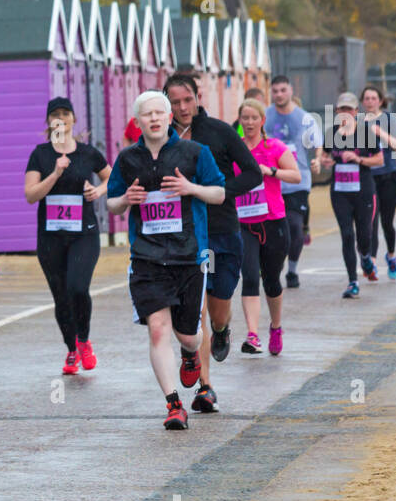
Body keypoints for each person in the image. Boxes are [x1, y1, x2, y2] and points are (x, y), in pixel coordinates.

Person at [106, 91, 226, 429]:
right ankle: (174, 405)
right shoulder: (128, 159)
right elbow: (112, 203)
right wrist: (126, 199)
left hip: (189, 255)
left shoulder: (194, 153)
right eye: (147, 114)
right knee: (158, 330)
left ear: (170, 117)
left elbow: (218, 193)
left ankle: (190, 355)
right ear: (138, 121)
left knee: (188, 335)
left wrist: (191, 189)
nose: (155, 119)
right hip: (147, 257)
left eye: (160, 112)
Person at [162, 73, 260, 413]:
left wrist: (219, 194)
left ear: (197, 96)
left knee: (218, 306)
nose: (182, 107)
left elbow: (253, 173)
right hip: (183, 236)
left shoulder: (219, 131)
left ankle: (223, 329)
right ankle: (205, 387)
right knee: (195, 310)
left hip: (219, 232)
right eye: (175, 102)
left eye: (187, 100)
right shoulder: (162, 136)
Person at [23, 97, 111, 374]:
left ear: (74, 119)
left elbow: (113, 177)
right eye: (55, 115)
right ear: (49, 122)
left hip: (83, 234)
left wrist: (98, 191)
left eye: (65, 114)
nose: (61, 119)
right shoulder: (41, 154)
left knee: (77, 287)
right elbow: (30, 195)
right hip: (51, 237)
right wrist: (54, 174)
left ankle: (84, 340)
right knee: (61, 296)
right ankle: (71, 349)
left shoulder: (87, 153)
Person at [234, 98, 299, 355]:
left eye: (254, 118)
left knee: (271, 280)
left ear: (262, 121)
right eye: (245, 118)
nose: (249, 123)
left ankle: (276, 326)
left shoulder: (274, 146)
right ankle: (252, 335)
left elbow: (296, 175)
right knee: (249, 277)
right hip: (244, 222)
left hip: (273, 221)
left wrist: (269, 171)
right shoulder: (235, 150)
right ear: (239, 121)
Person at [312, 92, 383, 298]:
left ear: (356, 112)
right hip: (340, 192)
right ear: (336, 112)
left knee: (364, 236)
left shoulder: (365, 132)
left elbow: (379, 160)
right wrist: (325, 162)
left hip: (363, 191)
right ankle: (353, 282)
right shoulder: (332, 132)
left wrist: (358, 159)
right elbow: (326, 155)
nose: (345, 113)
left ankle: (366, 256)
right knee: (346, 235)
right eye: (341, 109)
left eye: (349, 109)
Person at [264, 75, 320, 288]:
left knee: (294, 228)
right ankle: (273, 267)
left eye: (282, 90)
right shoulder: (265, 116)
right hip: (271, 181)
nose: (279, 94)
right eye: (275, 91)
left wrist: (316, 160)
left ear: (291, 91)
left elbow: (317, 144)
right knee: (275, 232)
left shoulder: (305, 118)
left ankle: (293, 270)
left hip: (298, 181)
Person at [360, 85, 396, 280]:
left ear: (380, 101)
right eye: (367, 98)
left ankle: (391, 256)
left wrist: (380, 133)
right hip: (367, 177)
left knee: (387, 222)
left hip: (388, 177)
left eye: (373, 98)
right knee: (370, 221)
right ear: (363, 102)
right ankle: (371, 261)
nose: (370, 102)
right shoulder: (357, 122)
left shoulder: (389, 120)